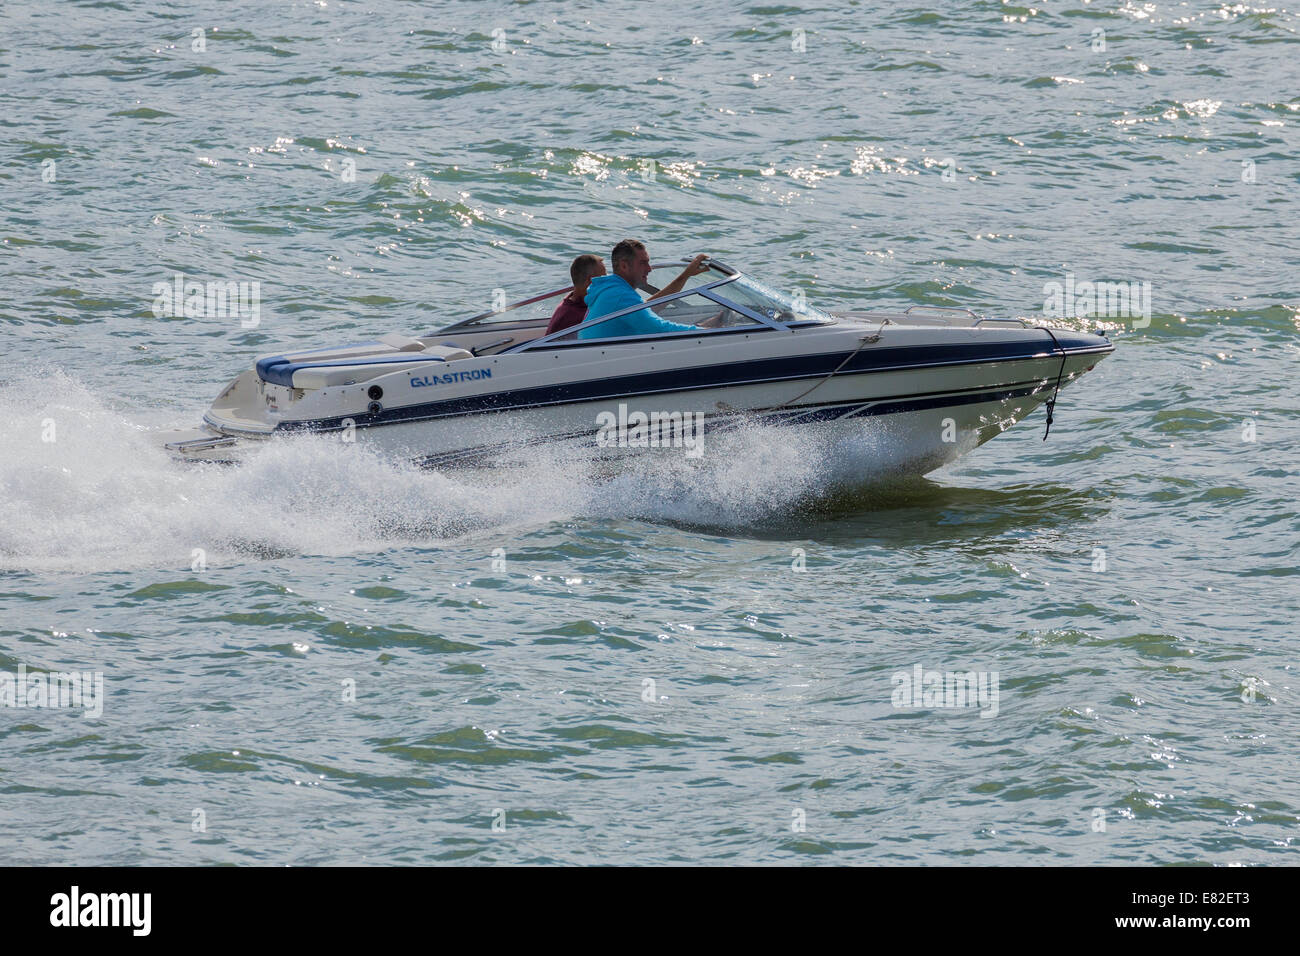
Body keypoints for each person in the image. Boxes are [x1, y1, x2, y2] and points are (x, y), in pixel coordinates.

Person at [578, 239, 722, 339]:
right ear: (624, 266)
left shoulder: (612, 290)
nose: (649, 269)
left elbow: (648, 308)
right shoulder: (620, 295)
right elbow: (658, 328)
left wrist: (685, 275)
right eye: (643, 263)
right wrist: (709, 333)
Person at [545, 254, 605, 335]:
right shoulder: (570, 317)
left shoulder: (576, 300)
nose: (606, 282)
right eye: (603, 278)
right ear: (590, 281)